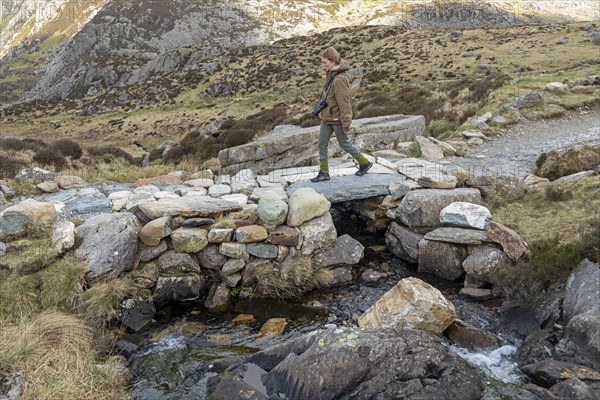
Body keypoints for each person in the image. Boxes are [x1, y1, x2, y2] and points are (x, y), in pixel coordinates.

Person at [311, 47, 372, 183]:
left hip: (337, 119)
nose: (323, 65)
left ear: (332, 61)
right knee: (322, 144)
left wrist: (346, 122)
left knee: (344, 144)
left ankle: (365, 163)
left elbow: (345, 103)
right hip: (326, 118)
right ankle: (324, 172)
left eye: (324, 62)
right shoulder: (331, 75)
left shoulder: (339, 79)